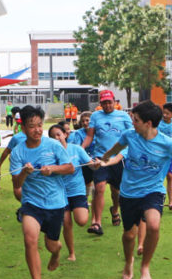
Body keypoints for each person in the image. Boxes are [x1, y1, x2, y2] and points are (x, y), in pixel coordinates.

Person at [100, 101, 172, 279]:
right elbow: (115, 150)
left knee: (153, 225)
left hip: (153, 191)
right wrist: (103, 160)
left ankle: (145, 266)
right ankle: (129, 262)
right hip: (129, 193)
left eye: (135, 120)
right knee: (128, 235)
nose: (132, 123)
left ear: (148, 123)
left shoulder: (166, 143)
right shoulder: (130, 135)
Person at [10, 106, 75, 279]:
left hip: (55, 203)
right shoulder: (18, 152)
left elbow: (70, 168)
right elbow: (16, 183)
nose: (37, 130)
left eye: (39, 125)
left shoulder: (53, 145)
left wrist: (53, 169)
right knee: (30, 239)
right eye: (32, 126)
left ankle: (56, 252)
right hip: (32, 203)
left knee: (51, 244)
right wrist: (24, 172)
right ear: (23, 129)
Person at [82, 89, 133, 235]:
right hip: (101, 157)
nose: (107, 105)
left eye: (109, 102)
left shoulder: (123, 116)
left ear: (115, 102)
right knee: (99, 188)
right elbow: (89, 136)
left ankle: (115, 209)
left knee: (116, 191)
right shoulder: (96, 116)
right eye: (104, 102)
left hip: (119, 158)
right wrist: (80, 149)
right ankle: (96, 222)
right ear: (100, 103)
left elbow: (131, 136)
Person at [48, 124, 98, 261]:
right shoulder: (49, 154)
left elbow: (91, 165)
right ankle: (71, 253)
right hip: (60, 193)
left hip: (77, 191)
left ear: (65, 134)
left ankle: (86, 208)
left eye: (58, 134)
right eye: (53, 136)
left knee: (82, 221)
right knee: (66, 222)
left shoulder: (76, 149)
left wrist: (96, 164)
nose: (57, 138)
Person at [68, 111, 94, 198]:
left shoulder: (97, 132)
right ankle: (85, 198)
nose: (85, 123)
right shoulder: (78, 133)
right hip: (84, 161)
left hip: (97, 159)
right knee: (86, 182)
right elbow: (77, 147)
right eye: (83, 121)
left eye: (87, 120)